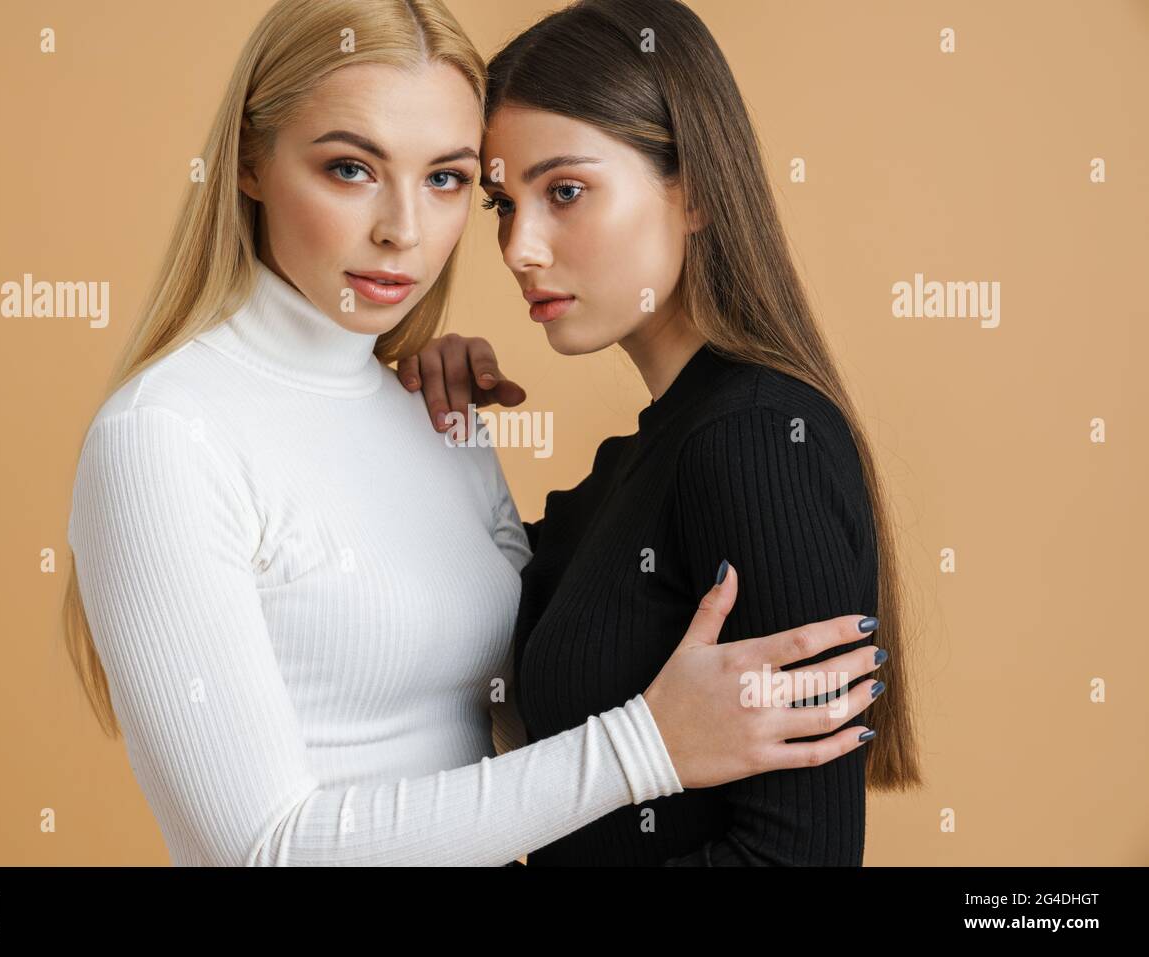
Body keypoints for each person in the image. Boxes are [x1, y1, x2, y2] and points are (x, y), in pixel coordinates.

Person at [62, 0, 883, 867]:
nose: (404, 231)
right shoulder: (164, 437)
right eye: (349, 168)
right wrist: (640, 745)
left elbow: (530, 711)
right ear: (250, 163)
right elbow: (263, 851)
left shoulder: (437, 420)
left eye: (448, 180)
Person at [398, 0, 921, 865]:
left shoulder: (757, 440)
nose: (519, 247)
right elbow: (475, 625)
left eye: (565, 191)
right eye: (502, 203)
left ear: (699, 196)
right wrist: (442, 434)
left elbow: (799, 862)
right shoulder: (633, 470)